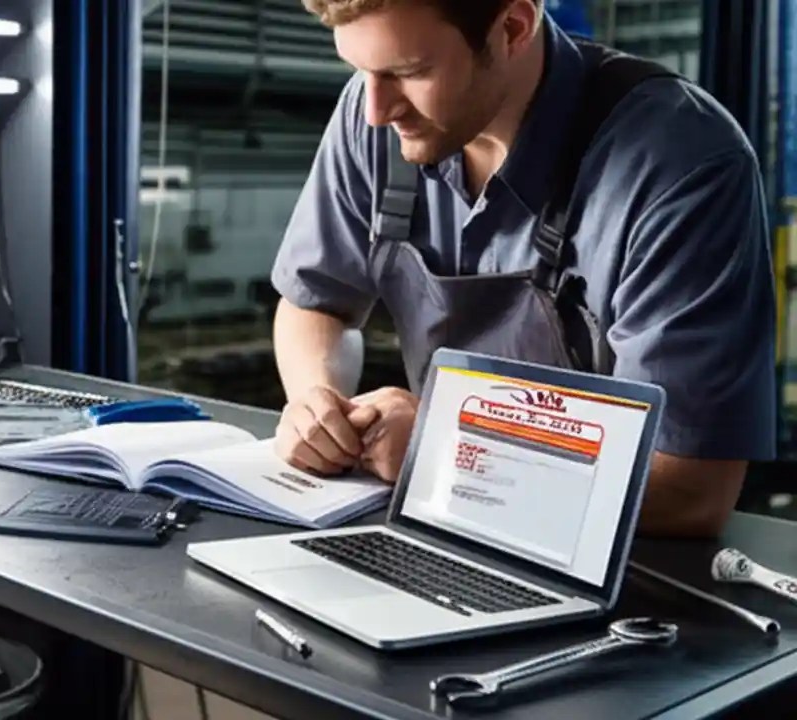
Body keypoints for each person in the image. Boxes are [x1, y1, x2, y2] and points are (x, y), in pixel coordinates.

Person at [270, 0, 776, 537]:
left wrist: (450, 448)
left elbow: (690, 491)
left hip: (613, 569)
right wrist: (316, 404)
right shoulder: (373, 115)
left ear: (512, 27)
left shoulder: (679, 163)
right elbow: (316, 302)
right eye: (359, 70)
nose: (376, 110)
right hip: (436, 525)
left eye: (410, 72)